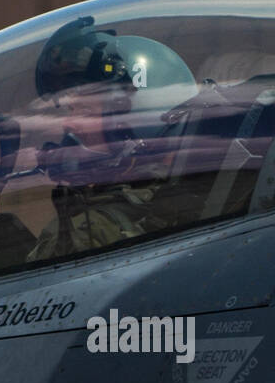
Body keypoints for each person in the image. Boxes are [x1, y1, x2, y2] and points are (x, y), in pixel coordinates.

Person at [25, 17, 171, 262]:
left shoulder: (90, 231)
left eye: (82, 112)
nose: (68, 125)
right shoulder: (170, 200)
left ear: (124, 125)